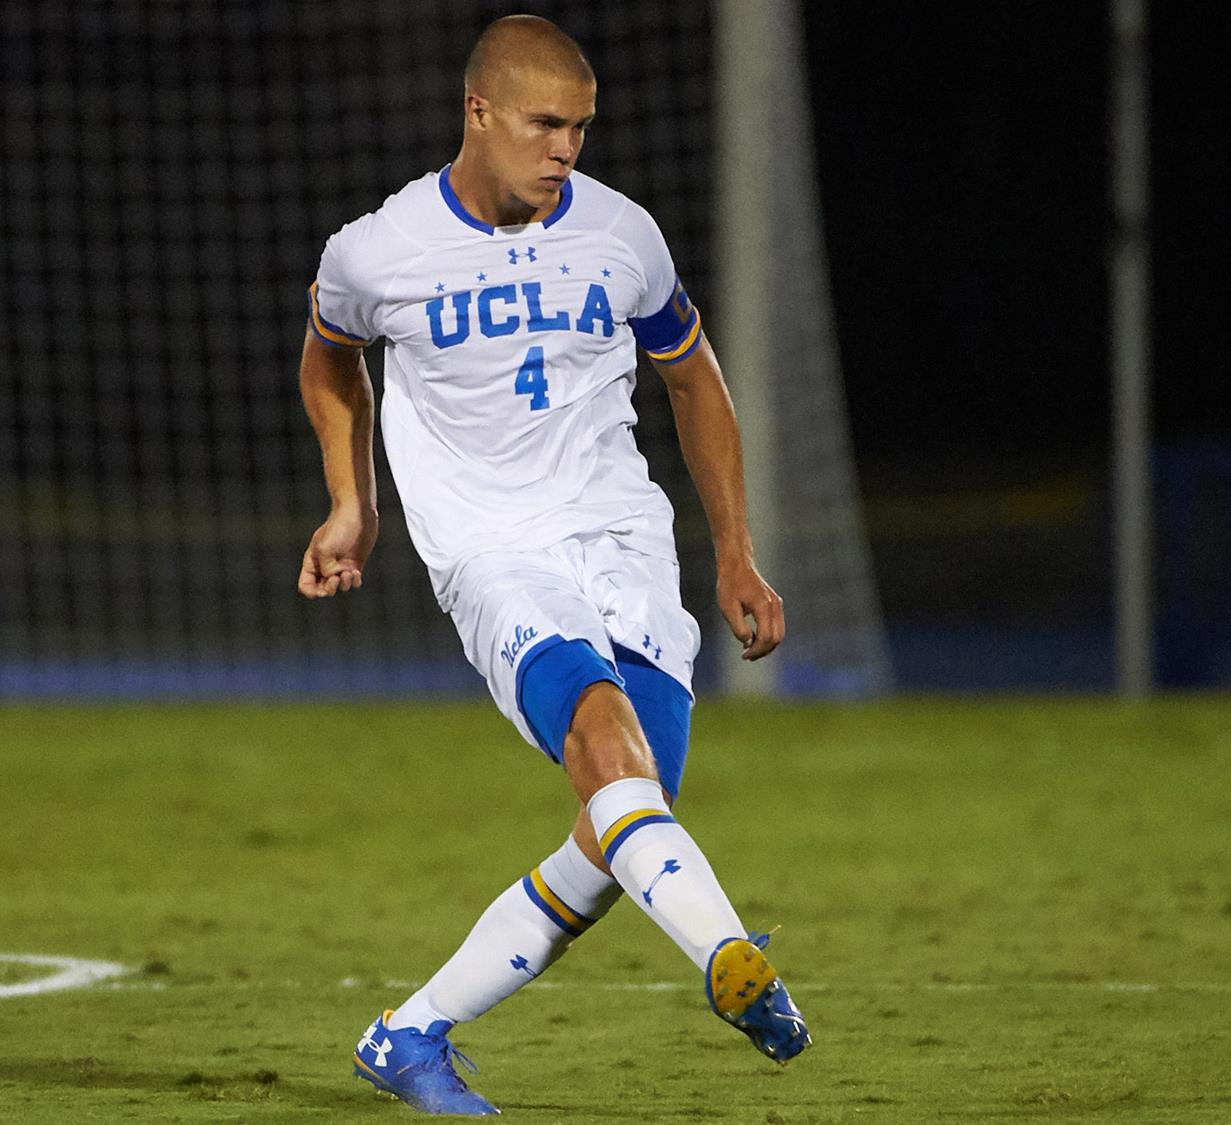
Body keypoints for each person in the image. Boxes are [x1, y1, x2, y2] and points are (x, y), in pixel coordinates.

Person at [294, 14, 810, 1116]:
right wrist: (354, 503)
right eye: (543, 124)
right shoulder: (378, 250)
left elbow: (694, 382)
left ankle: (410, 1033)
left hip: (624, 541)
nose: (565, 147)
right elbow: (330, 356)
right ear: (476, 113)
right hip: (492, 554)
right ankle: (732, 962)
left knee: (624, 819)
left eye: (578, 127)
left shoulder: (623, 235)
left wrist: (735, 555)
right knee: (606, 754)